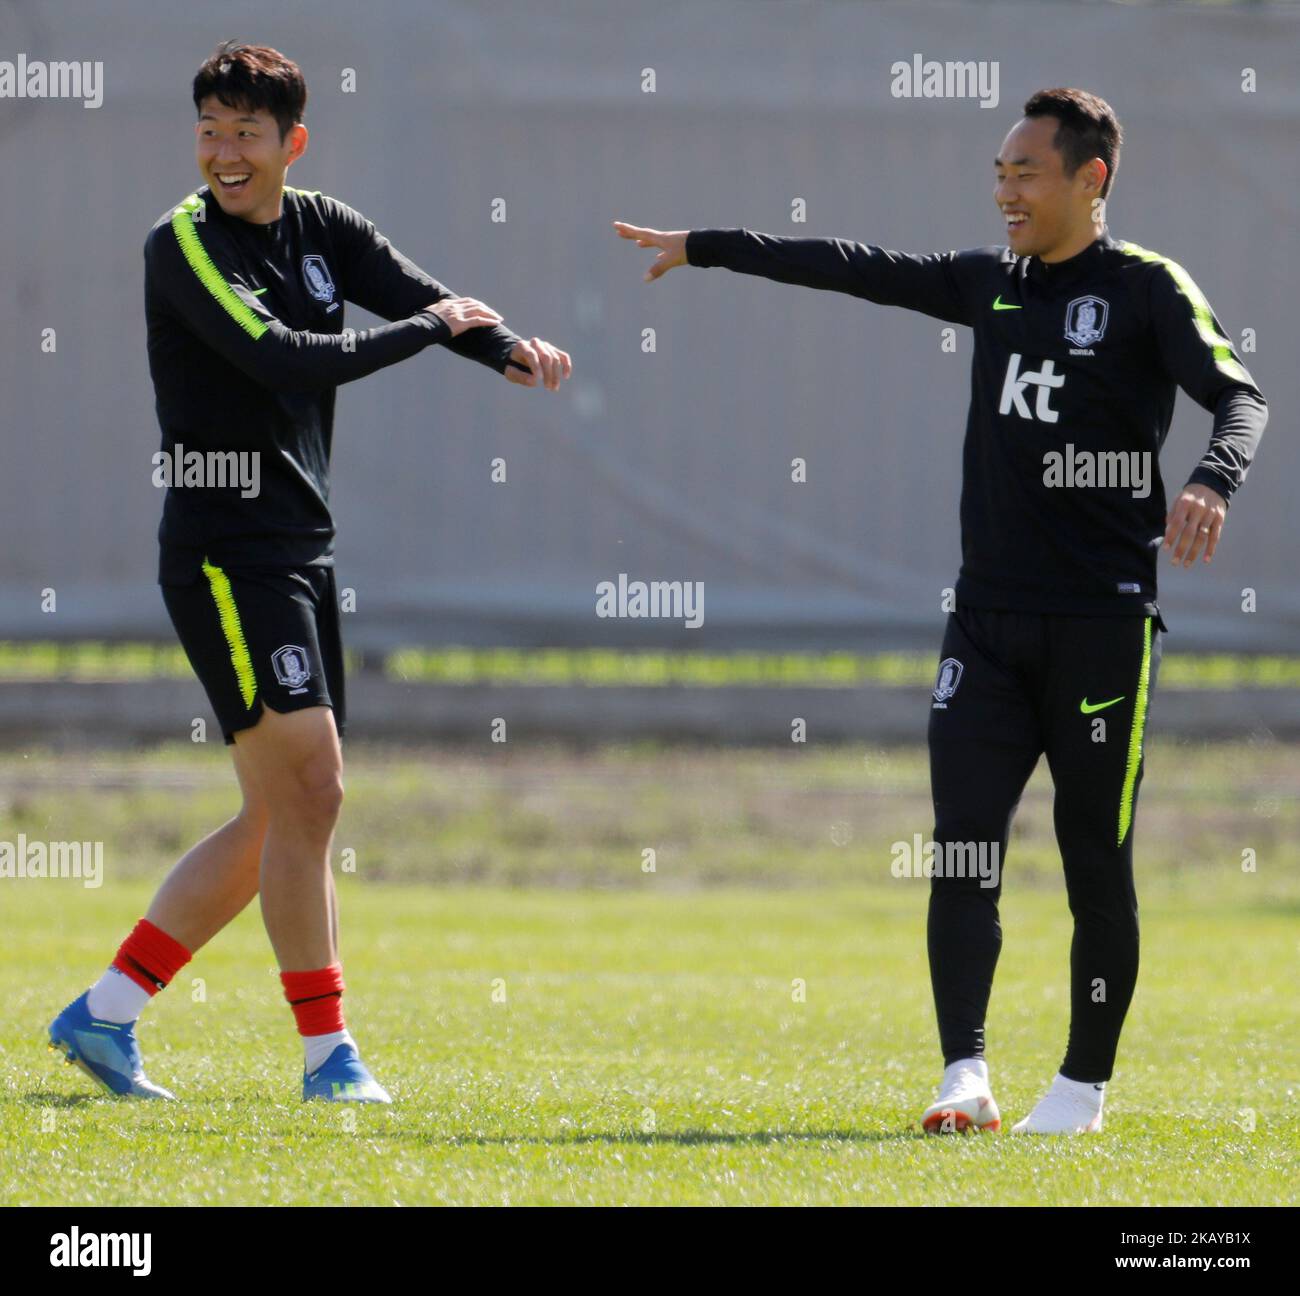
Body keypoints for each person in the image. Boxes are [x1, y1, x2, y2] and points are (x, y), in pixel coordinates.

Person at [614, 87, 1266, 1134]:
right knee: (962, 845)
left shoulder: (1145, 291)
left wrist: (1211, 480)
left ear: (1089, 180)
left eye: (1026, 172)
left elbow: (1239, 394)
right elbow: (852, 266)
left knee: (1094, 857)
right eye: (998, 172)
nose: (1004, 190)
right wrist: (706, 246)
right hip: (986, 624)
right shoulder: (987, 283)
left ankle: (1080, 1089)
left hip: (1101, 624)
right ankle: (962, 1074)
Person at [48, 40, 572, 1104]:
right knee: (314, 790)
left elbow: (418, 293)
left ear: (291, 143)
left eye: (245, 133)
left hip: (299, 547)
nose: (223, 154)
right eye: (208, 131)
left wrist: (501, 344)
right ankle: (329, 1059)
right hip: (226, 552)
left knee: (284, 813)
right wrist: (428, 332)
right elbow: (286, 354)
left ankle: (105, 1013)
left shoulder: (323, 226)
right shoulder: (182, 243)